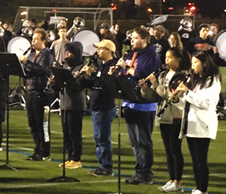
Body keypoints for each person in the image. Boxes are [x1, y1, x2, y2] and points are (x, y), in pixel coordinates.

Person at [176, 50, 222, 194]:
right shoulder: (197, 80)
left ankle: (203, 191)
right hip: (192, 124)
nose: (193, 66)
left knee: (201, 159)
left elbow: (207, 103)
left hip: (203, 124)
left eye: (195, 63)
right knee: (195, 159)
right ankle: (198, 188)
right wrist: (177, 99)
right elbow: (190, 102)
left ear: (204, 63)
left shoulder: (213, 81)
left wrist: (187, 92)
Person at [121, 27, 160, 184]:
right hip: (130, 101)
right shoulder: (131, 53)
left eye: (135, 38)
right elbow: (127, 74)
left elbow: (142, 73)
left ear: (145, 40)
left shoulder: (151, 55)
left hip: (144, 103)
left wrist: (126, 68)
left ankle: (145, 173)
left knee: (143, 140)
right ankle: (139, 171)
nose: (132, 40)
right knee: (134, 141)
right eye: (131, 37)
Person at [155, 47, 188, 193]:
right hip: (163, 116)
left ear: (178, 60)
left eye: (169, 57)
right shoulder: (163, 74)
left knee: (175, 149)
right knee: (168, 151)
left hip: (175, 115)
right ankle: (171, 179)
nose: (166, 60)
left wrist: (155, 85)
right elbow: (156, 96)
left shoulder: (182, 76)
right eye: (166, 57)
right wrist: (146, 88)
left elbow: (171, 95)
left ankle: (178, 181)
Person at [86, 39, 120, 176]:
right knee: (98, 138)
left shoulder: (112, 66)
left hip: (104, 107)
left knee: (102, 138)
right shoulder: (102, 65)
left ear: (109, 51)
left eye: (101, 49)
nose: (98, 51)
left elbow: (105, 84)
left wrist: (92, 74)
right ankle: (102, 164)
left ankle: (106, 166)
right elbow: (95, 84)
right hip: (97, 106)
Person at [21, 29, 54, 160]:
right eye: (32, 39)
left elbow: (42, 70)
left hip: (40, 92)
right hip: (30, 91)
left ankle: (44, 151)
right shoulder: (32, 54)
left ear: (43, 41)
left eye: (36, 39)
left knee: (42, 124)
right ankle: (37, 149)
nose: (33, 42)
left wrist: (26, 63)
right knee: (33, 124)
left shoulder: (47, 54)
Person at [54, 41, 86, 169]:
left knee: (74, 132)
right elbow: (61, 86)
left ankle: (76, 158)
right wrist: (54, 82)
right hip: (65, 103)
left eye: (70, 52)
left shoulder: (81, 67)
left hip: (75, 104)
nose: (67, 54)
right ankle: (70, 156)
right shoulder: (66, 66)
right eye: (66, 51)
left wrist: (72, 79)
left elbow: (79, 86)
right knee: (66, 132)